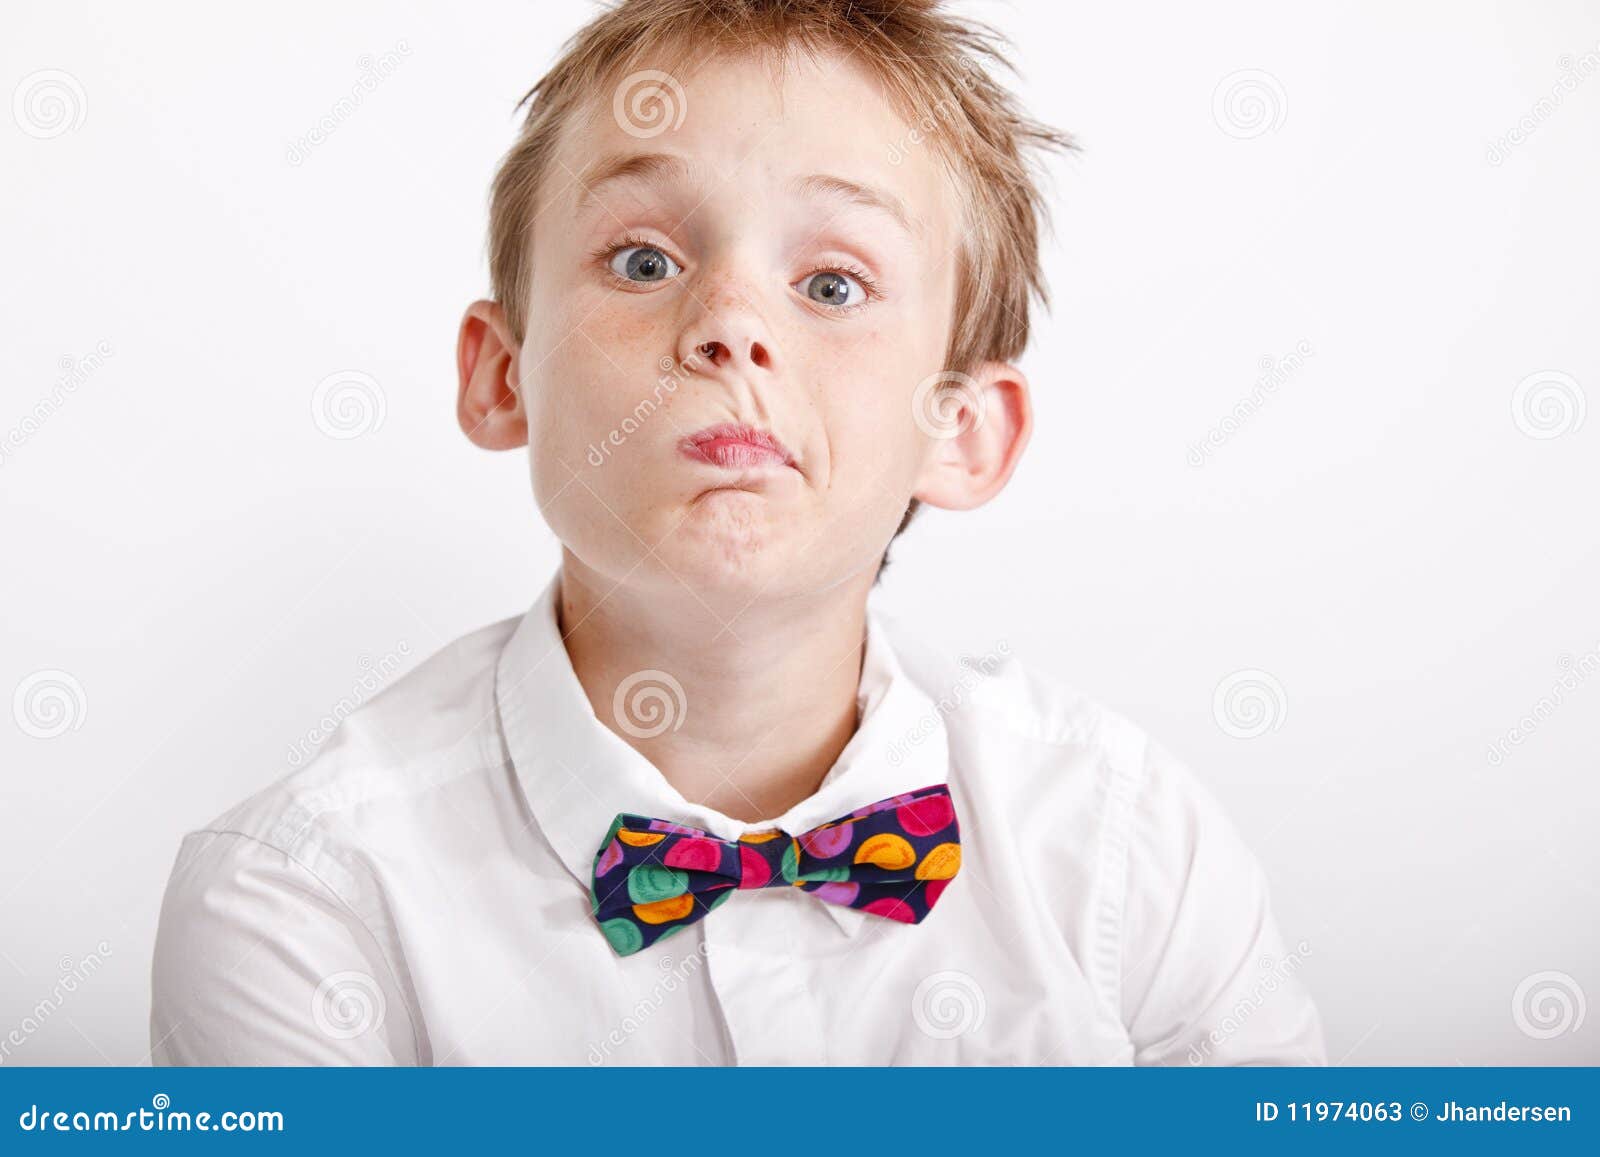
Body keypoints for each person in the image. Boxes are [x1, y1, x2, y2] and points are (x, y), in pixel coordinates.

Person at [150, 0, 1324, 1065]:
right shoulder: (301, 901)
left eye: (831, 284)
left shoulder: (1130, 844)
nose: (728, 326)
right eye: (644, 259)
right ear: (504, 377)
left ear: (960, 430)